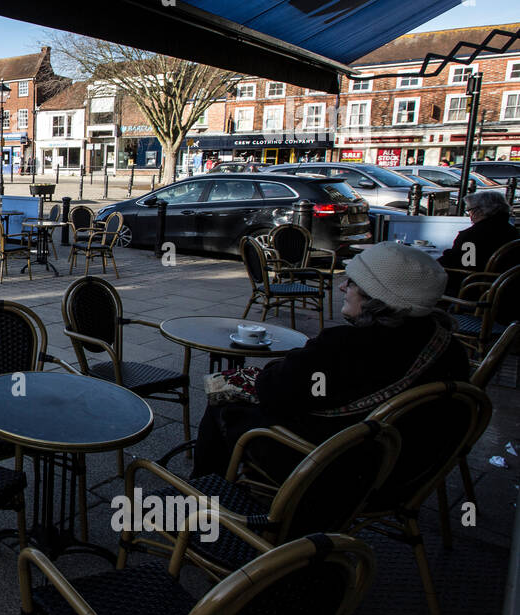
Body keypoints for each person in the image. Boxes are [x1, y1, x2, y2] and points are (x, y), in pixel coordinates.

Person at [191, 242, 469, 482]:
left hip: (330, 468)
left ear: (376, 298)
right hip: (408, 472)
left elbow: (273, 391)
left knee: (223, 400)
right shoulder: (447, 345)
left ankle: (205, 491)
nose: (342, 286)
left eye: (353, 282)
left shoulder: (345, 346)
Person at [438, 188, 518, 294]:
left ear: (478, 211)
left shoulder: (471, 236)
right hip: (509, 288)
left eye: (469, 210)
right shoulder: (514, 232)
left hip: (476, 289)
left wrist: (444, 258)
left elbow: (466, 266)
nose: (470, 215)